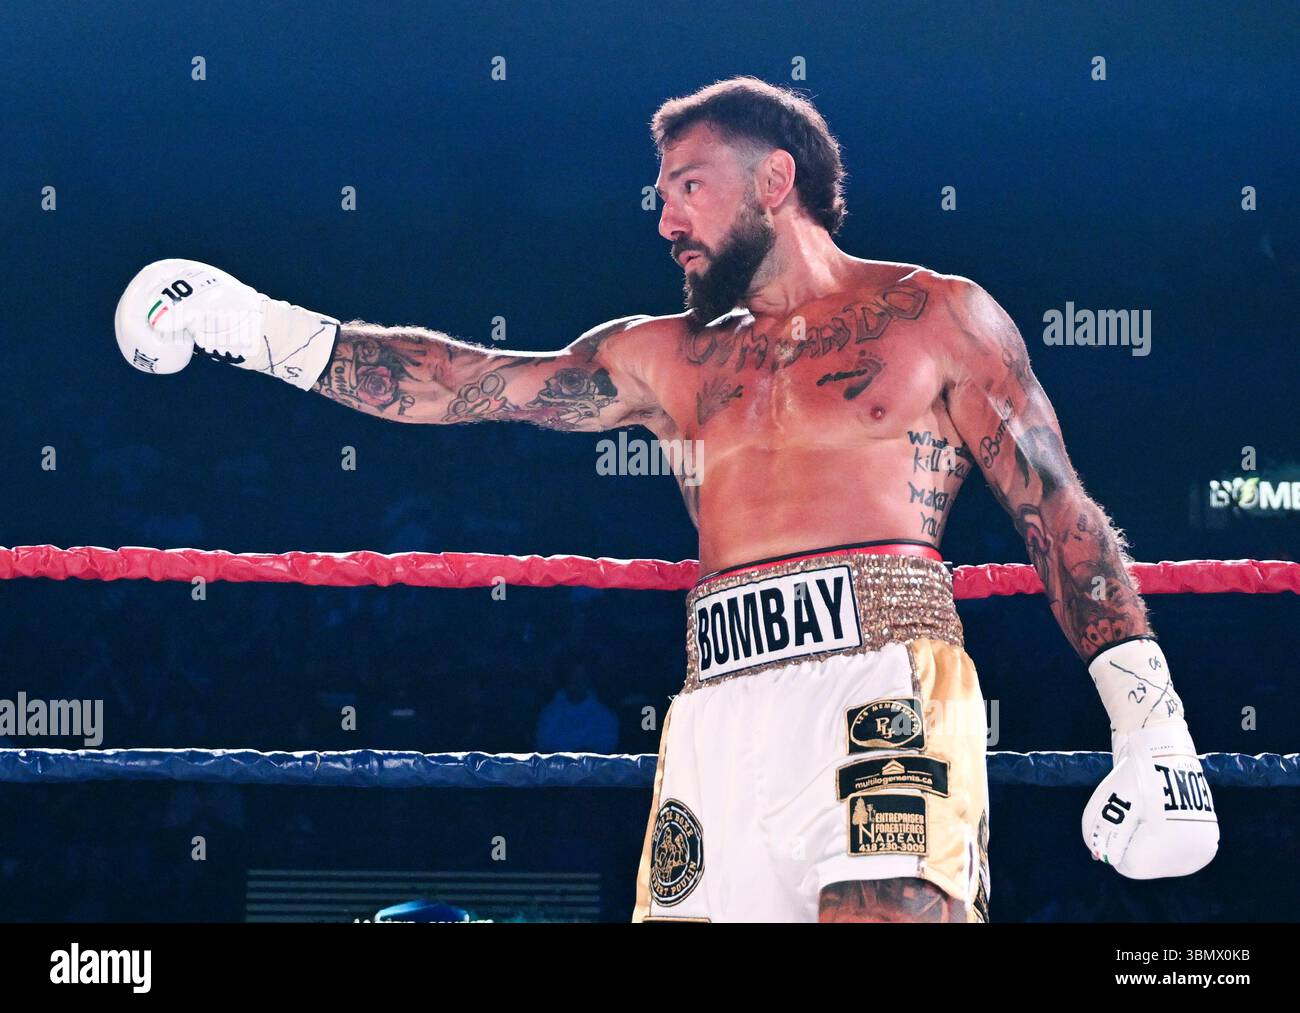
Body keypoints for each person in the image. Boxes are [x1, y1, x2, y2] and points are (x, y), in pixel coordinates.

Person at [113, 76, 1217, 922]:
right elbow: (470, 383)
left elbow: (1054, 508)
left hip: (887, 680)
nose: (663, 221)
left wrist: (1149, 723)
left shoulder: (934, 316)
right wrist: (257, 328)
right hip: (718, 707)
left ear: (773, 181)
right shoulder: (669, 357)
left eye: (686, 187)